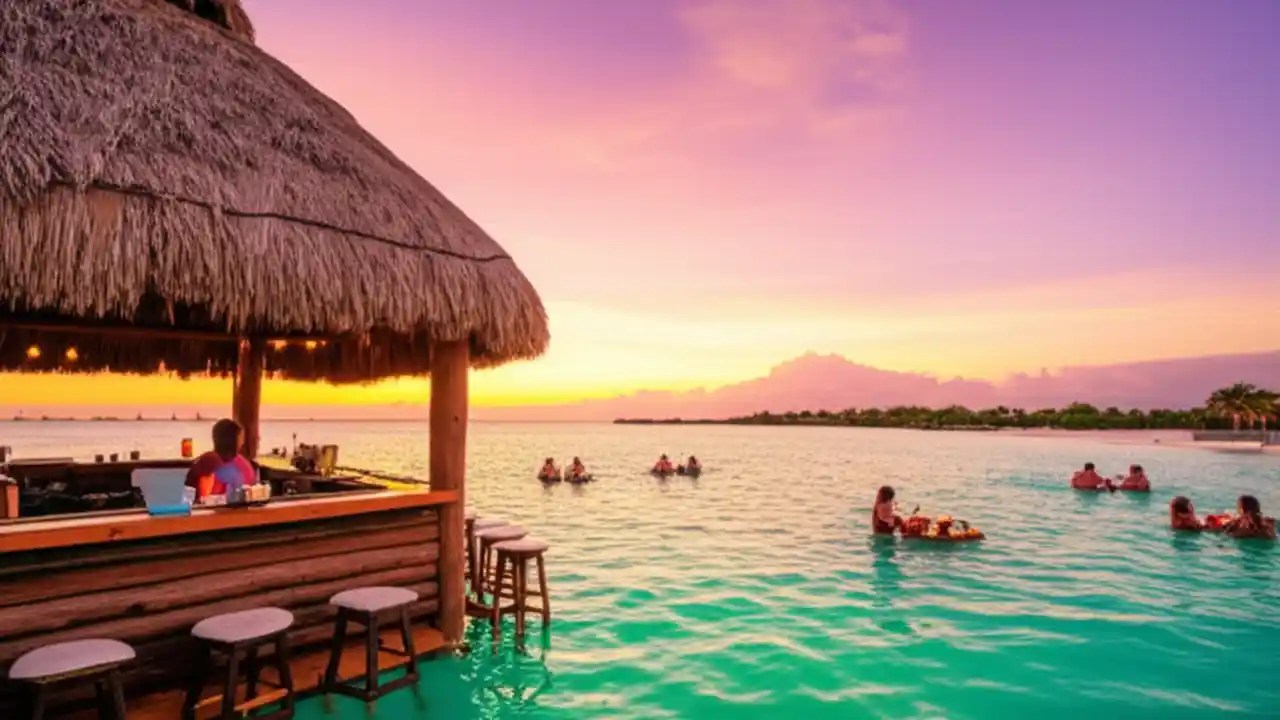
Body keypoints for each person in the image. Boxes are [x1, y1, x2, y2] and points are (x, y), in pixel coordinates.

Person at [185, 418, 257, 501]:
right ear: (231, 440)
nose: (242, 443)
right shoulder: (211, 462)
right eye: (240, 438)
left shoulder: (204, 460)